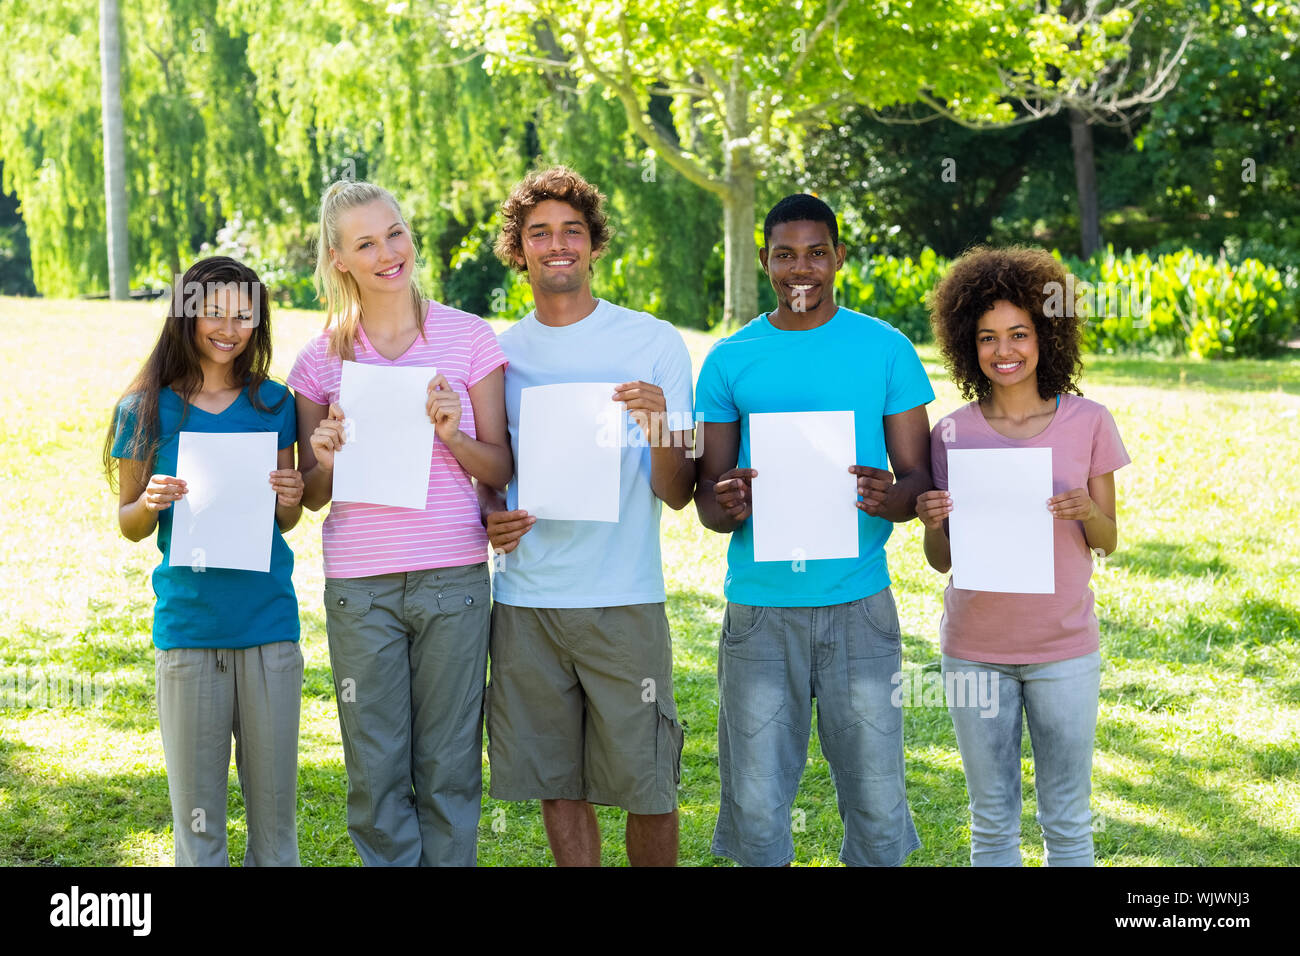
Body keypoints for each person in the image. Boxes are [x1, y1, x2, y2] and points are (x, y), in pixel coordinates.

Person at [693, 193, 933, 867]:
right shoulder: (730, 360)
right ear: (765, 261)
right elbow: (707, 503)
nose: (802, 268)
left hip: (859, 603)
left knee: (879, 802)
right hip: (761, 609)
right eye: (785, 255)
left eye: (817, 253)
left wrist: (893, 498)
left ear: (840, 258)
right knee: (759, 804)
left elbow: (918, 480)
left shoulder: (885, 349)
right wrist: (729, 501)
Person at [288, 180, 511, 866]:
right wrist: (322, 455)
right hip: (361, 589)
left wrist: (451, 434)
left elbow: (499, 468)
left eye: (395, 233)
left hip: (454, 579)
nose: (388, 253)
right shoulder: (318, 361)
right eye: (366, 243)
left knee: (449, 767)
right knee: (377, 772)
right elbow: (313, 496)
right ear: (339, 259)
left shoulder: (469, 338)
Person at [480, 165, 693, 867]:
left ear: (595, 244)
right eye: (539, 233)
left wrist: (660, 425)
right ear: (520, 249)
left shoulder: (653, 342)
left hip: (623, 598)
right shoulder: (498, 353)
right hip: (526, 601)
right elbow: (491, 468)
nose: (558, 244)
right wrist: (492, 515)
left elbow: (677, 491)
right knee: (556, 781)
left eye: (573, 230)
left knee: (647, 784)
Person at [917, 245, 1130, 867]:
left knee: (1067, 822)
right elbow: (941, 560)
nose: (1003, 351)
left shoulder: (1089, 422)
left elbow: (1109, 538)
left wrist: (1084, 511)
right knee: (991, 825)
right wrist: (935, 522)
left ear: (1046, 337)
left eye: (1018, 333)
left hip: (1063, 650)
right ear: (967, 345)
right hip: (974, 650)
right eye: (986, 337)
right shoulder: (950, 433)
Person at [105, 255, 304, 866]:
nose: (228, 327)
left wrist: (291, 498)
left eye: (243, 314)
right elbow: (129, 524)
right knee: (199, 829)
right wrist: (149, 500)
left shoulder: (275, 403)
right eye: (213, 313)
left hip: (268, 629)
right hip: (188, 632)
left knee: (275, 829)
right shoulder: (143, 408)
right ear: (186, 316)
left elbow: (286, 517)